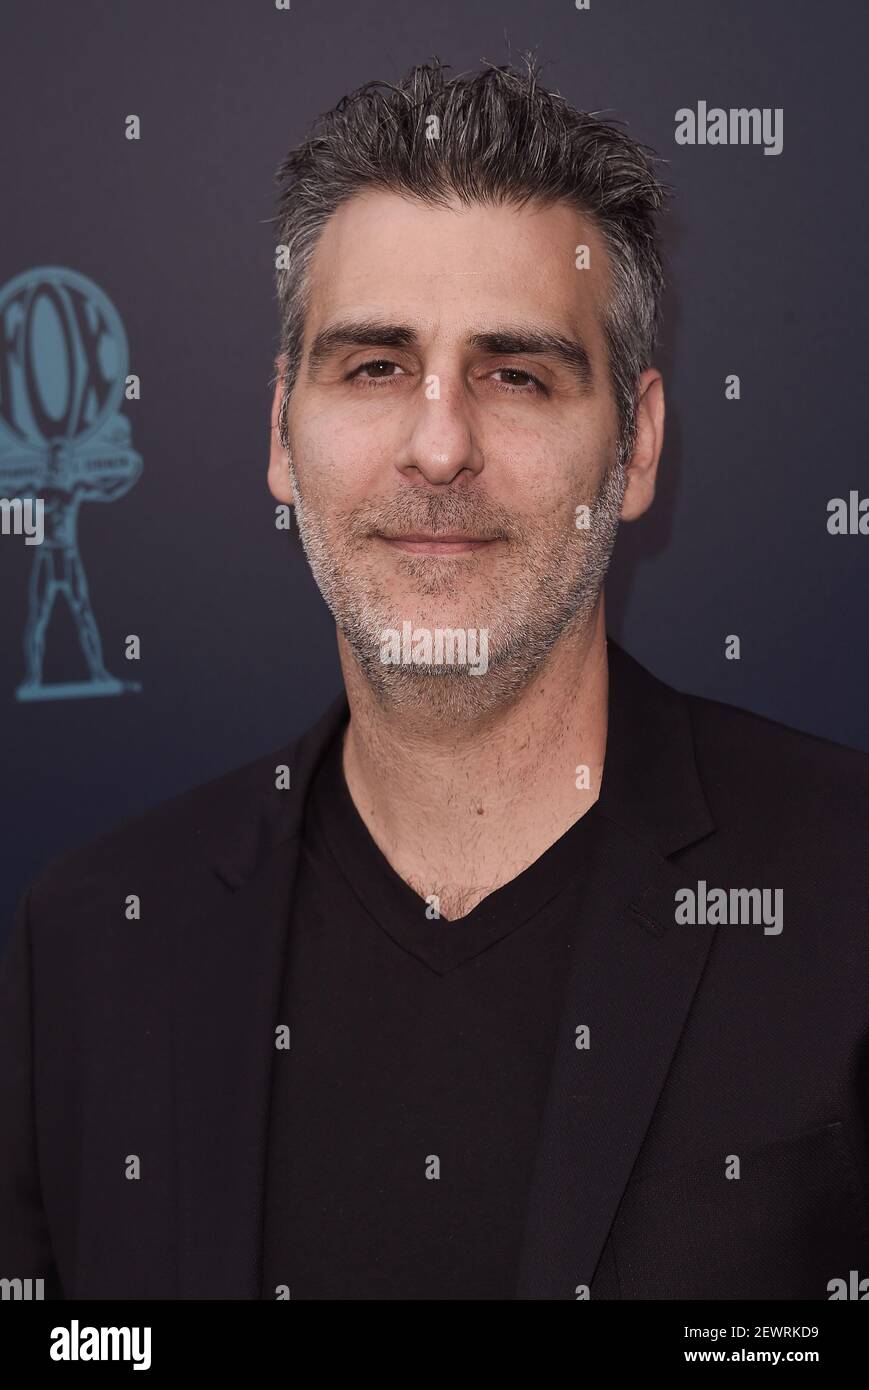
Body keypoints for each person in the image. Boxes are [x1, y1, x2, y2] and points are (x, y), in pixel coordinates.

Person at [2, 58, 868, 1302]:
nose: (440, 443)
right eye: (372, 366)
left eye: (516, 374)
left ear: (636, 449)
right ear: (278, 439)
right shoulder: (92, 939)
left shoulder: (843, 888)